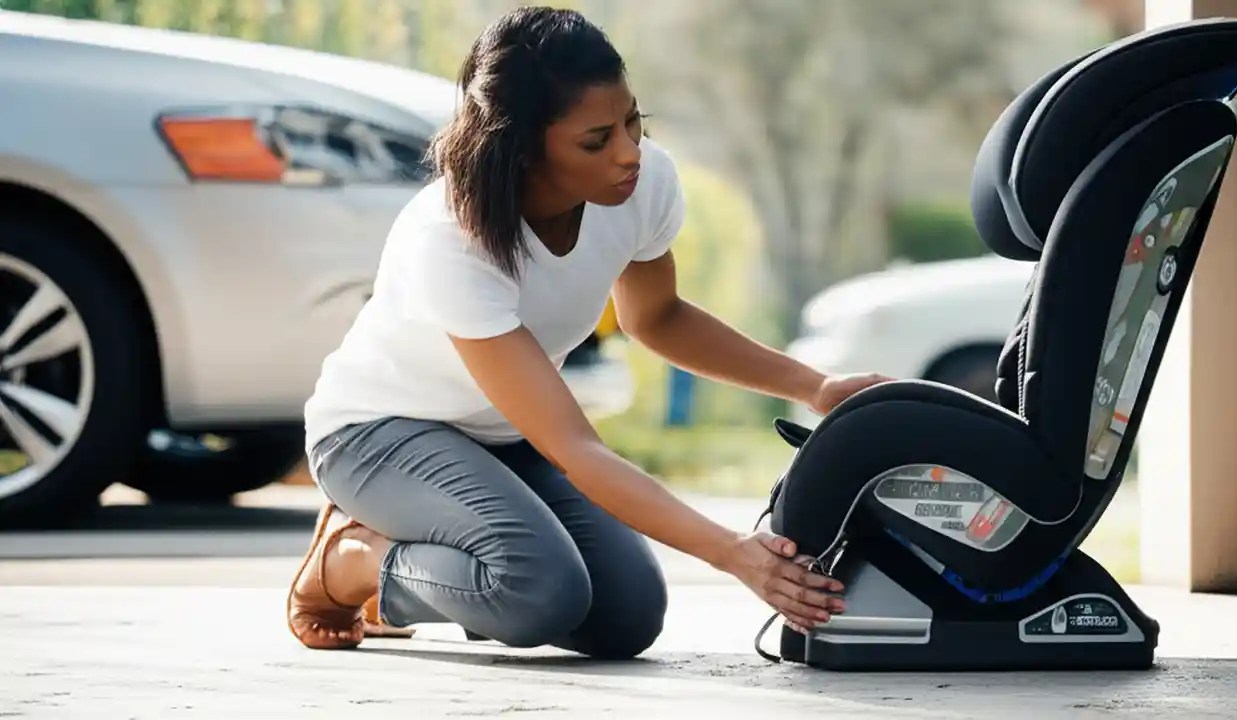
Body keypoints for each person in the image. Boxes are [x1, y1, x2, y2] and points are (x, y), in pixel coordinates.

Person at [287, 6, 890, 659]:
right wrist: (734, 554)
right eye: (596, 140)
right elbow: (576, 446)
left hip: (504, 437)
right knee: (535, 591)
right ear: (520, 148)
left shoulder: (642, 182)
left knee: (624, 618)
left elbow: (657, 319)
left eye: (634, 122)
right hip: (380, 435)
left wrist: (815, 386)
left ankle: (423, 556)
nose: (630, 153)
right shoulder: (452, 241)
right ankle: (351, 557)